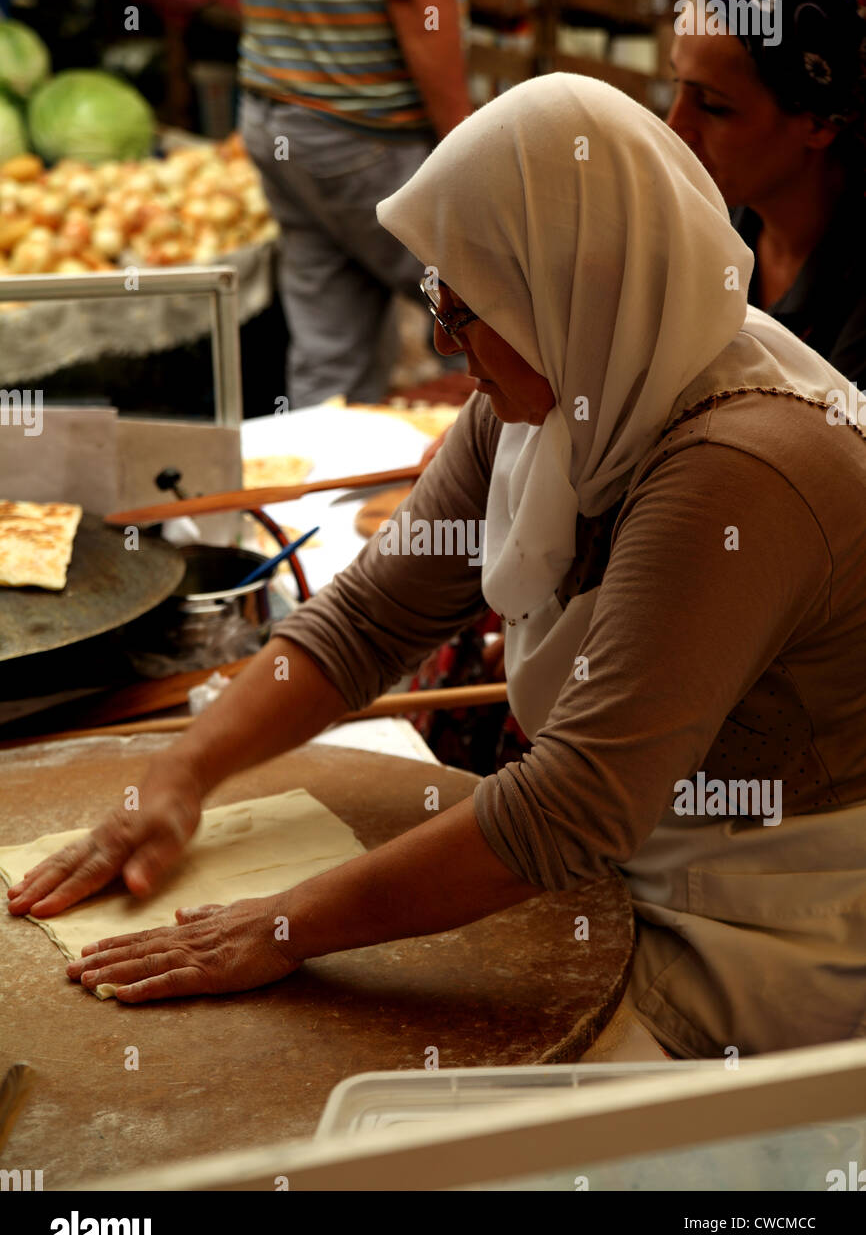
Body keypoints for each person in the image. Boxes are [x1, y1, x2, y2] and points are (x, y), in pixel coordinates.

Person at [10, 74, 866, 1059]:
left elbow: (571, 805)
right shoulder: (563, 387)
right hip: (625, 863)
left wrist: (283, 924)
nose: (438, 341)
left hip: (763, 925)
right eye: (435, 298)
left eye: (465, 309)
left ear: (568, 289)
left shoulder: (739, 468)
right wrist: (181, 773)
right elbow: (368, 618)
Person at [218, 0, 472, 407]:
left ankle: (321, 485)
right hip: (365, 127)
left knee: (330, 360)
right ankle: (501, 482)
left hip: (281, 112)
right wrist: (461, 139)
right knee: (497, 310)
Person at [667, 0, 866, 383]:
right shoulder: (710, 232)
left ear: (817, 123)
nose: (674, 127)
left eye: (714, 106)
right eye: (675, 85)